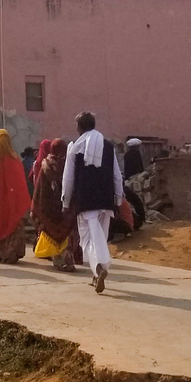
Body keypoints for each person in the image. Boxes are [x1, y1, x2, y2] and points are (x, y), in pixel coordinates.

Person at [63, 112, 123, 293]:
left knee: (88, 239)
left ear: (79, 127)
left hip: (86, 200)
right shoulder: (108, 146)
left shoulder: (74, 147)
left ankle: (99, 269)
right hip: (106, 199)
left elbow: (68, 177)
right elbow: (116, 176)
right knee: (100, 237)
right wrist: (118, 199)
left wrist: (65, 202)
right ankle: (97, 273)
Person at [0, 129, 32, 263]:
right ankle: (9, 253)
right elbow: (20, 181)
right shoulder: (14, 157)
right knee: (9, 224)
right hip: (9, 200)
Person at [32, 138, 77, 272]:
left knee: (52, 232)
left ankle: (59, 259)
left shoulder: (45, 164)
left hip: (49, 206)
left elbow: (40, 187)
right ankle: (65, 259)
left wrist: (36, 205)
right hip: (65, 206)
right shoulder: (69, 165)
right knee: (65, 232)